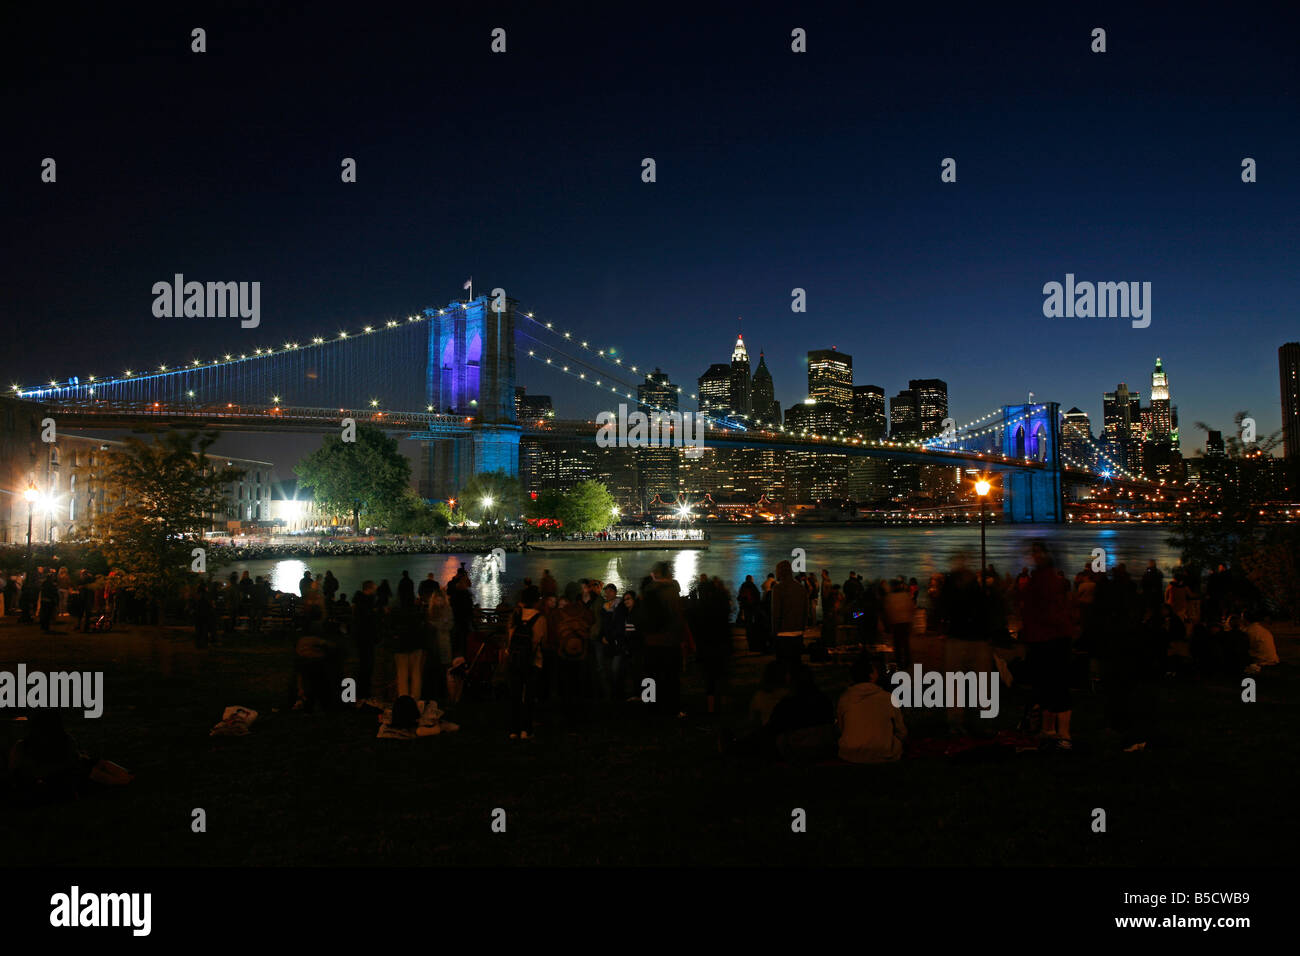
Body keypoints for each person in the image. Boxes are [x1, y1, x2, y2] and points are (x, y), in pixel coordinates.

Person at [1019, 541, 1074, 749]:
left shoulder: (1046, 580)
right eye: (1033, 552)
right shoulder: (1045, 578)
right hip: (1045, 638)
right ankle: (1051, 731)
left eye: (1038, 553)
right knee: (1047, 687)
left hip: (1051, 638)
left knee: (1055, 686)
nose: (1034, 556)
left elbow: (1047, 610)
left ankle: (1062, 734)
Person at [640, 561, 689, 718]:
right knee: (671, 677)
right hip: (670, 641)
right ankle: (672, 708)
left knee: (649, 676)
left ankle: (649, 706)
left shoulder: (646, 590)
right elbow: (678, 618)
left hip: (650, 641)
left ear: (655, 574)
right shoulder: (673, 591)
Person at [836, 655, 907, 763]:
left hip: (850, 754)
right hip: (885, 752)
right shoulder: (887, 698)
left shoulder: (845, 699)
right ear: (872, 675)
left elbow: (841, 728)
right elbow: (901, 731)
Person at [505, 586, 547, 739]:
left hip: (514, 660)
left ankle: (513, 730)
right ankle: (526, 730)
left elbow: (509, 637)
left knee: (515, 696)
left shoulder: (515, 615)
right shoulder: (540, 618)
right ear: (536, 601)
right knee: (529, 696)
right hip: (532, 661)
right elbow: (542, 641)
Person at [770, 560, 808, 663]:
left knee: (782, 665)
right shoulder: (801, 588)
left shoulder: (777, 588)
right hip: (798, 632)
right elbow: (806, 610)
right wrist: (802, 628)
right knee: (796, 664)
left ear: (780, 572)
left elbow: (776, 613)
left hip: (783, 633)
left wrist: (774, 634)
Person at [351, 580, 381, 702]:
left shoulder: (358, 602)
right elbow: (370, 622)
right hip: (366, 637)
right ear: (369, 589)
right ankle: (364, 691)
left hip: (361, 637)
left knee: (363, 664)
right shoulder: (367, 603)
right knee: (367, 665)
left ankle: (362, 690)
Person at [882, 578, 915, 669]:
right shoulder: (906, 595)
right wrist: (911, 620)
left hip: (896, 622)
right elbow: (911, 608)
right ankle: (908, 660)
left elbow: (888, 610)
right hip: (906, 622)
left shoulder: (890, 597)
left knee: (897, 643)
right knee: (905, 642)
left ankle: (899, 661)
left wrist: (888, 623)